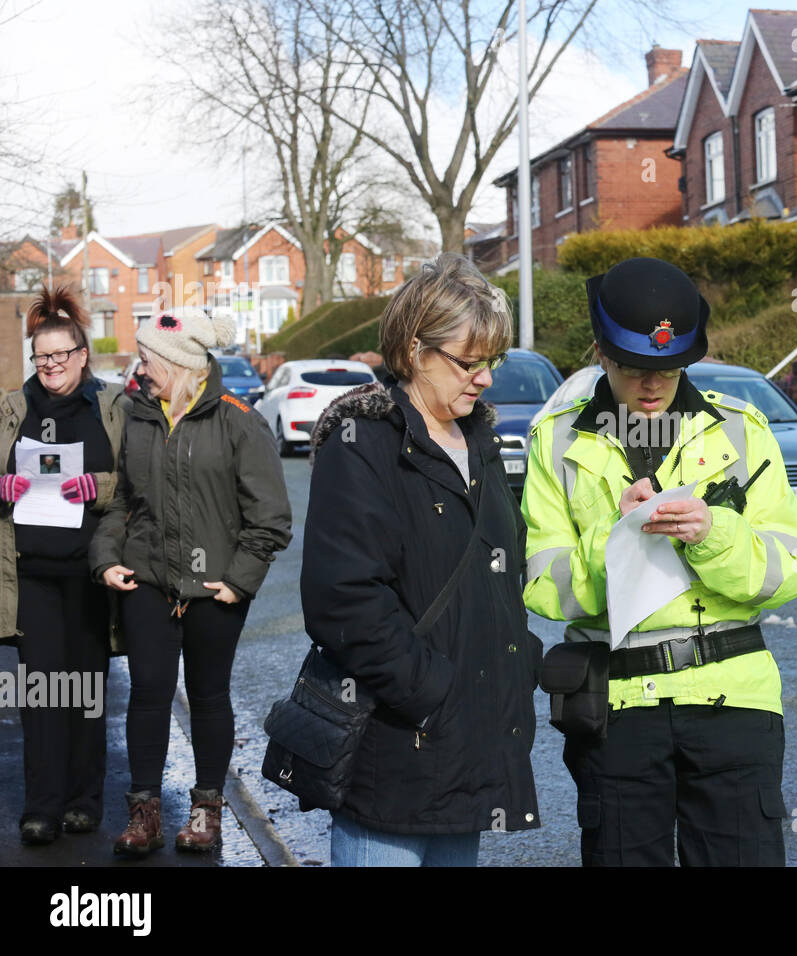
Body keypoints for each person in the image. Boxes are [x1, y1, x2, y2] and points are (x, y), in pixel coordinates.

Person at [522, 256, 797, 866]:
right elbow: (543, 586)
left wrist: (714, 533)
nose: (652, 385)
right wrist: (613, 539)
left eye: (669, 369)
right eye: (633, 368)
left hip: (734, 701)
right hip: (618, 707)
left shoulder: (742, 431)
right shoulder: (555, 441)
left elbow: (789, 570)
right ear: (601, 352)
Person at [300, 254, 541, 867]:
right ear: (414, 350)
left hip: (467, 760)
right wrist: (436, 692)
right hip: (395, 756)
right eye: (469, 361)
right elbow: (344, 601)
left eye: (492, 361)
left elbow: (497, 582)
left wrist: (516, 670)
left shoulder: (480, 443)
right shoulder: (365, 445)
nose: (485, 377)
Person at [89, 307, 292, 857]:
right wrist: (107, 557)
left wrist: (237, 580)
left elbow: (271, 517)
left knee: (207, 697)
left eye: (148, 358)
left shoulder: (236, 420)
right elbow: (124, 503)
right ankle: (144, 813)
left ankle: (206, 810)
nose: (140, 367)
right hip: (148, 581)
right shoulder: (138, 417)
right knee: (148, 696)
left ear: (177, 363)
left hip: (213, 589)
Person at [0, 286, 127, 845]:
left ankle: (84, 802)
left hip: (92, 574)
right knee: (41, 694)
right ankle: (42, 806)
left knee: (87, 691)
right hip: (31, 576)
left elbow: (139, 484)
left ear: (82, 354)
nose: (50, 365)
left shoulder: (113, 409)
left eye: (61, 354)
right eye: (41, 356)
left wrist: (96, 486)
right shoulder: (9, 410)